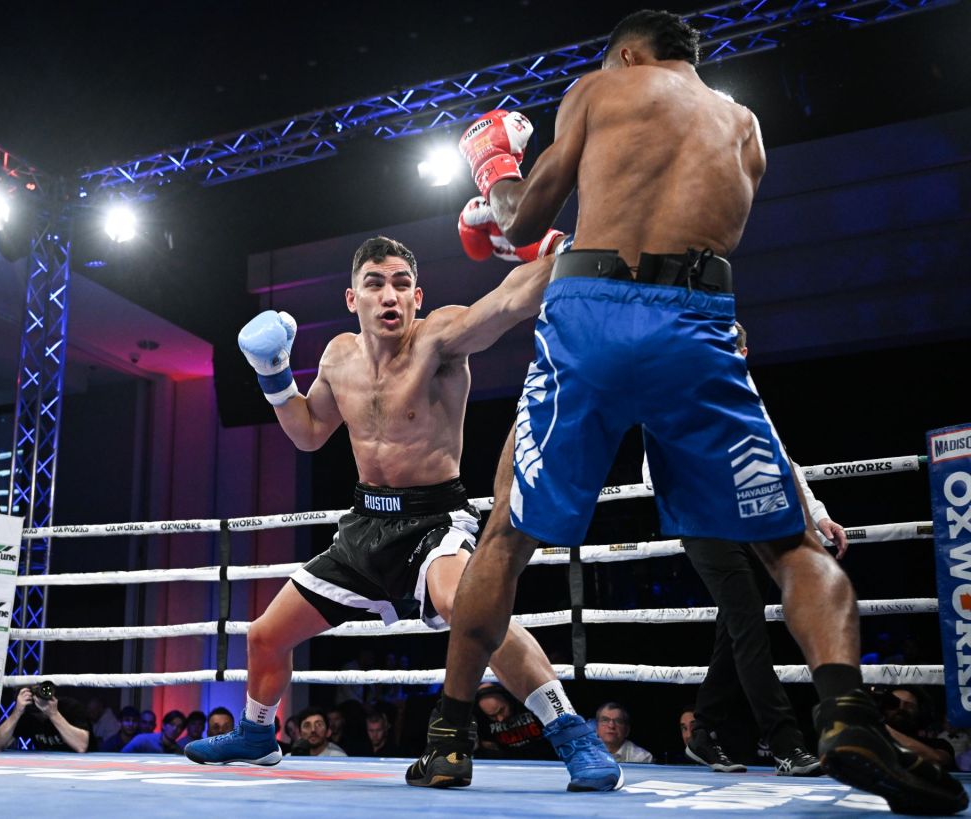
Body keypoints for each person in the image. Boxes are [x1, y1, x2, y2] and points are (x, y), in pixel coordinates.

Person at [421, 9, 967, 813]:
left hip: (591, 318)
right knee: (788, 541)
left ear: (629, 53)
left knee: (508, 531)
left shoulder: (601, 88)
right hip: (699, 323)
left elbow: (523, 220)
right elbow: (687, 227)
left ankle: (448, 736)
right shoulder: (745, 129)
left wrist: (496, 167)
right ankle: (847, 712)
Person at [185, 236, 621, 792]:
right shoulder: (338, 357)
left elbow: (510, 301)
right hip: (364, 526)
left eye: (399, 285)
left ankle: (572, 733)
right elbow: (309, 433)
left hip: (435, 520)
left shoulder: (440, 338)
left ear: (418, 296)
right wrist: (273, 377)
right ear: (352, 298)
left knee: (470, 610)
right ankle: (257, 733)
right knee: (266, 635)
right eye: (375, 284)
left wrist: (566, 250)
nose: (388, 296)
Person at [645, 323, 839, 777]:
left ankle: (704, 730)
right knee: (749, 625)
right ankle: (786, 743)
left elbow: (779, 456)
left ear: (743, 352)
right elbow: (652, 472)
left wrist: (817, 513)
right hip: (703, 522)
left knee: (734, 628)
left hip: (748, 520)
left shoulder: (746, 394)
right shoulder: (678, 390)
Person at [0, 685, 91, 752]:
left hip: (80, 765)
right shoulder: (25, 714)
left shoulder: (69, 707)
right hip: (45, 765)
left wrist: (54, 714)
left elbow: (81, 746)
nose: (35, 698)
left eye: (37, 692)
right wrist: (16, 713)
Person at [474, 683, 553, 761]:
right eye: (492, 716)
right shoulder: (481, 721)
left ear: (508, 698)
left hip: (547, 760)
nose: (500, 719)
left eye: (501, 710)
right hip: (509, 766)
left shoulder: (531, 704)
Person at [121, 709, 185, 754]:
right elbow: (122, 755)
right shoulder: (143, 739)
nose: (175, 729)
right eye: (172, 724)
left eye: (179, 727)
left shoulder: (179, 751)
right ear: (164, 725)